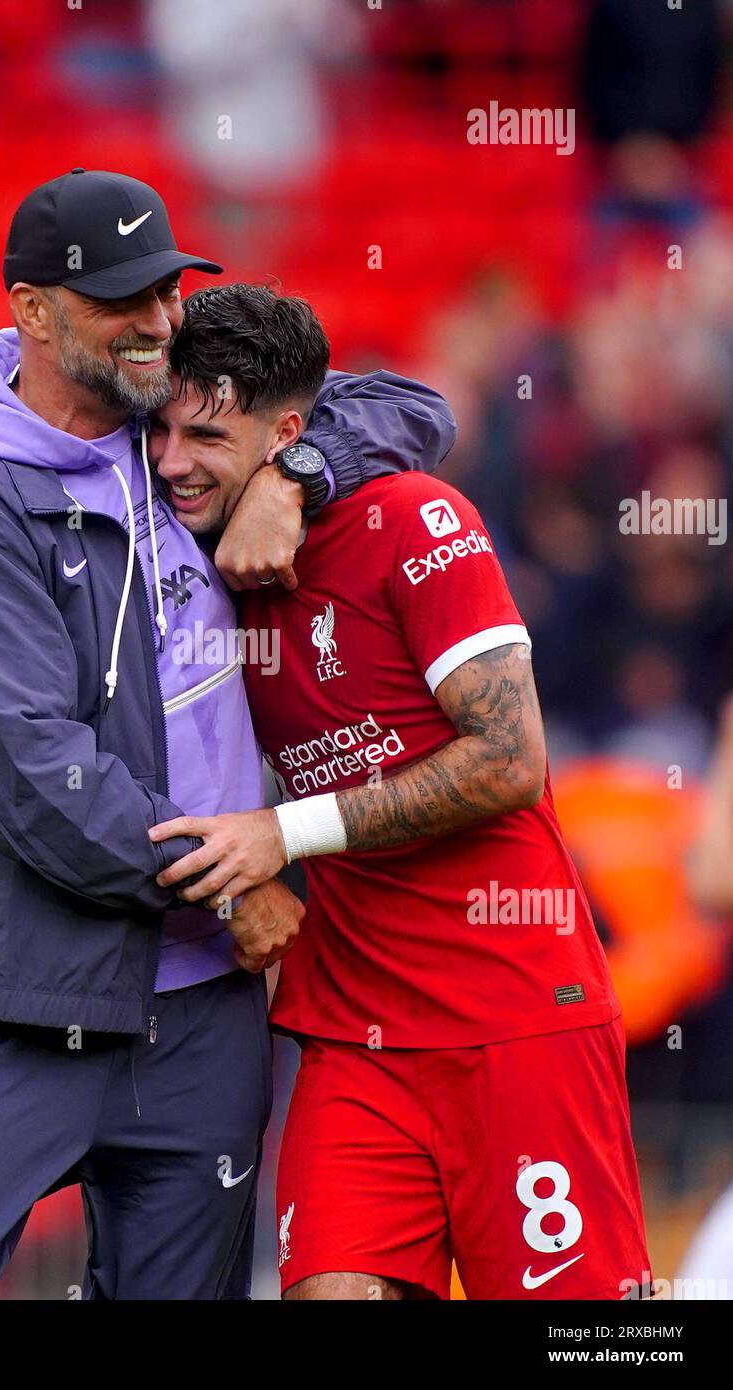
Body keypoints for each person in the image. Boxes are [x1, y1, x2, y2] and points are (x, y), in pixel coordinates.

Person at [0, 171, 455, 1300]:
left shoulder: (175, 419)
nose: (153, 323)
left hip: (204, 1017)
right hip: (22, 1004)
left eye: (166, 291)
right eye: (118, 301)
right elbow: (38, 777)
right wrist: (235, 886)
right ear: (32, 311)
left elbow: (413, 407)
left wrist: (298, 470)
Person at [149, 283, 652, 1301]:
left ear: (288, 432)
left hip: (513, 1016)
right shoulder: (184, 566)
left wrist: (283, 834)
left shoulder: (415, 518)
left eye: (206, 435)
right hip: (353, 1033)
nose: (171, 463)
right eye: (160, 432)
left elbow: (510, 759)